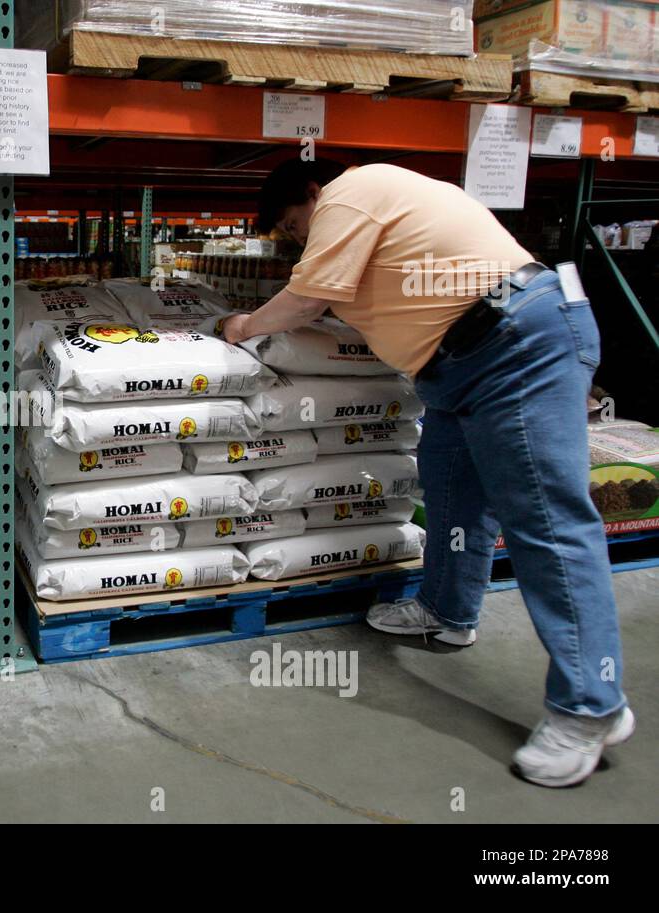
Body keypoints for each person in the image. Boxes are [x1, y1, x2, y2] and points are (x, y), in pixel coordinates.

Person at [220, 159, 633, 788]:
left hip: (515, 340)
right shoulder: (370, 211)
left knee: (546, 524)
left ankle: (590, 705)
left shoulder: (350, 193)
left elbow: (307, 295)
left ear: (310, 193)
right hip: (460, 364)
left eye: (292, 226)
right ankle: (446, 610)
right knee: (448, 490)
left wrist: (245, 326)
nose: (299, 239)